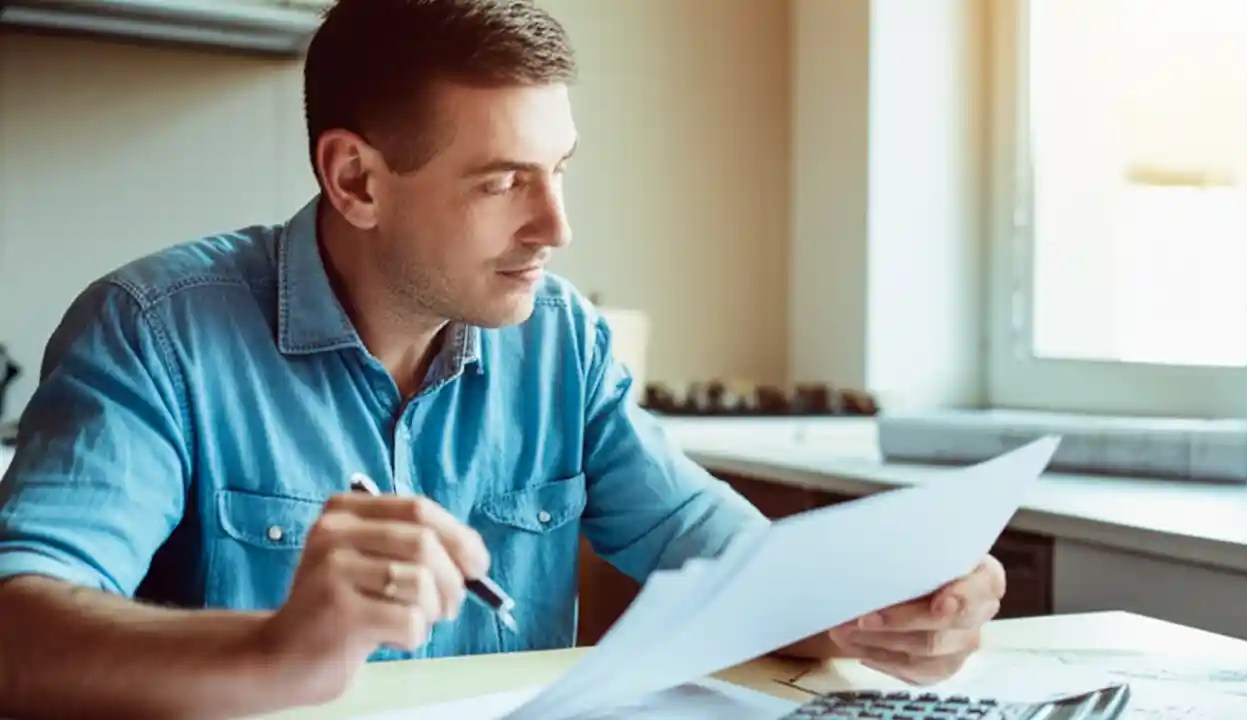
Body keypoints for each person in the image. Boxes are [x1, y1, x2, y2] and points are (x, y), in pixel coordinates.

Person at [0, 1, 1008, 718]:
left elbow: (730, 566)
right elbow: (19, 631)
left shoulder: (562, 341)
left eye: (559, 171)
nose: (556, 226)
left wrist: (872, 612)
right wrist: (274, 653)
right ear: (355, 178)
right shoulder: (153, 329)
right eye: (501, 182)